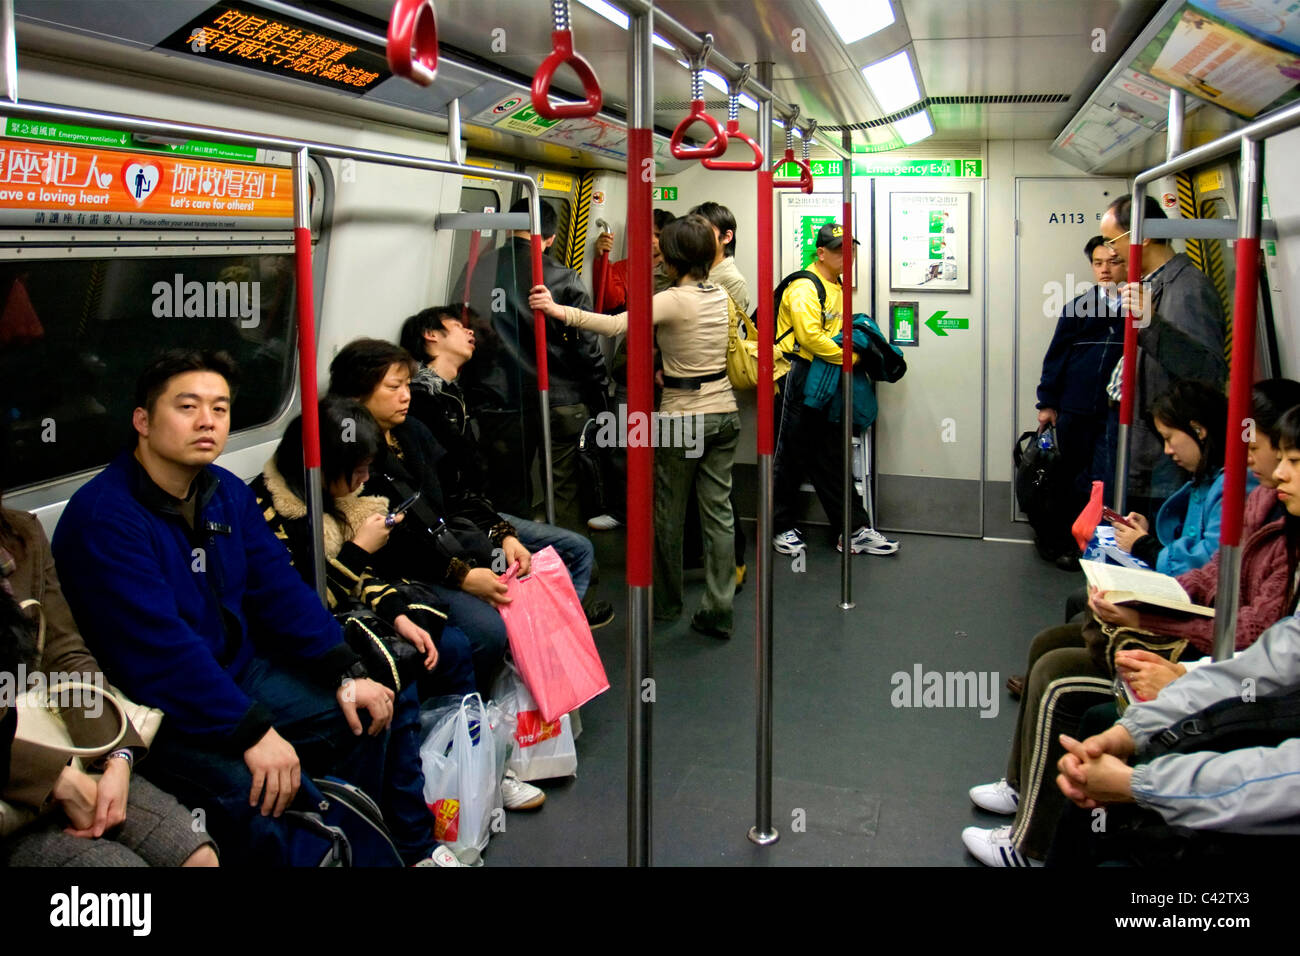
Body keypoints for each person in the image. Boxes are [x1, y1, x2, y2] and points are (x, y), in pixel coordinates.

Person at [51, 350, 456, 867]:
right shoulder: (105, 519)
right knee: (263, 787)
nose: (207, 421)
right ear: (143, 421)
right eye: (188, 407)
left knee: (373, 705)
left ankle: (398, 850)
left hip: (240, 670)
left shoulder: (222, 494)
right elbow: (160, 655)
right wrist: (254, 732)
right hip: (160, 711)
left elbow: (277, 588)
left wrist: (344, 669)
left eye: (219, 409)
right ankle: (324, 845)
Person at [961, 380, 1297, 867]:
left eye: (1286, 458)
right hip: (1211, 647)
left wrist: (1151, 604)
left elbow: (1251, 632)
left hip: (1212, 657)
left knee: (1060, 678)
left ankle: (1028, 843)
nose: (1267, 465)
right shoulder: (1261, 504)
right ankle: (1022, 787)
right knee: (1050, 642)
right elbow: (1217, 582)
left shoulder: (1255, 505)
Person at [531, 214, 739, 639]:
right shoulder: (721, 294)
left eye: (664, 252)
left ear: (677, 257)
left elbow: (615, 324)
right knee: (718, 514)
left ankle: (666, 604)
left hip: (684, 419)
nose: (659, 257)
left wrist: (556, 309)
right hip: (725, 415)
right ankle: (718, 607)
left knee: (668, 513)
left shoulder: (673, 299)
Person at [0, 501, 219, 867]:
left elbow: (64, 654)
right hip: (16, 774)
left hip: (59, 741)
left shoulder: (20, 534)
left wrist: (115, 757)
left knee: (196, 855)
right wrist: (55, 779)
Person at [328, 338, 524, 696]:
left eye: (407, 385)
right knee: (487, 631)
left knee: (553, 558)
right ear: (358, 393)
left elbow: (456, 493)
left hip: (451, 538)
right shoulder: (350, 450)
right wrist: (461, 575)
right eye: (394, 387)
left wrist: (502, 533)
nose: (406, 395)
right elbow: (393, 544)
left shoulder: (413, 431)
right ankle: (468, 711)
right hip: (410, 567)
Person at [400, 305, 614, 628]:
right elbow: (455, 482)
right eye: (458, 326)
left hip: (478, 508)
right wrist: (500, 531)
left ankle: (562, 623)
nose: (469, 331)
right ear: (431, 335)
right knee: (578, 550)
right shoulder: (422, 400)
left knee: (579, 549)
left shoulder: (457, 392)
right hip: (462, 518)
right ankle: (560, 628)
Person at [249, 396, 477, 699]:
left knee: (453, 643)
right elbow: (301, 606)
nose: (365, 480)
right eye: (358, 471)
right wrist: (358, 550)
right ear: (324, 466)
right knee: (404, 675)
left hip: (349, 609)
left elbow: (364, 577)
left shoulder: (335, 496)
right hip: (305, 635)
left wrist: (398, 615)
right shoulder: (268, 516)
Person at [455, 198, 608, 531]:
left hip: (498, 397)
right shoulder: (564, 278)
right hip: (559, 397)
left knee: (508, 488)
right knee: (562, 486)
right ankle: (569, 561)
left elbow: (462, 322)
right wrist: (599, 394)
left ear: (509, 227)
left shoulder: (477, 269)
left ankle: (516, 562)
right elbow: (586, 346)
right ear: (551, 238)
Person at [771, 222, 898, 557]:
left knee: (830, 453)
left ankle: (852, 529)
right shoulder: (804, 287)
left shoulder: (837, 284)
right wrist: (849, 357)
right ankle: (781, 526)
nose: (847, 256)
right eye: (840, 250)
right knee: (788, 454)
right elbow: (810, 336)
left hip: (822, 375)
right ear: (822, 253)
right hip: (795, 375)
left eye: (851, 250)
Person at [1099, 194, 1227, 516]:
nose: (1111, 252)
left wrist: (1151, 325)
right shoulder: (1150, 284)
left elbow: (1207, 374)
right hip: (1141, 437)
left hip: (1162, 451)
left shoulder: (1188, 289)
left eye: (1113, 241)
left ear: (1144, 235)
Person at [1034, 236, 1125, 568]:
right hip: (1074, 409)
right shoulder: (1078, 308)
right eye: (1098, 263)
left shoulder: (1137, 309)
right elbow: (1056, 357)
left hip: (1114, 414)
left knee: (1102, 480)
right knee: (1068, 479)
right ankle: (1066, 543)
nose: (1104, 269)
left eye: (1113, 262)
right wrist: (1047, 402)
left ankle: (1097, 546)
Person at [587, 208, 677, 531]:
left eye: (656, 234)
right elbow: (610, 300)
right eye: (645, 233)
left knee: (665, 446)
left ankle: (659, 513)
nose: (650, 241)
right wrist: (602, 259)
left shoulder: (680, 274)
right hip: (633, 368)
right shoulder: (630, 268)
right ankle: (622, 510)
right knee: (624, 442)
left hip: (670, 375)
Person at [1110, 379, 1243, 577]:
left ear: (1198, 430)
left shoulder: (1232, 485)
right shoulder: (1208, 478)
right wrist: (1147, 534)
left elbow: (1210, 560)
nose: (1167, 450)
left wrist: (1145, 546)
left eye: (1169, 438)